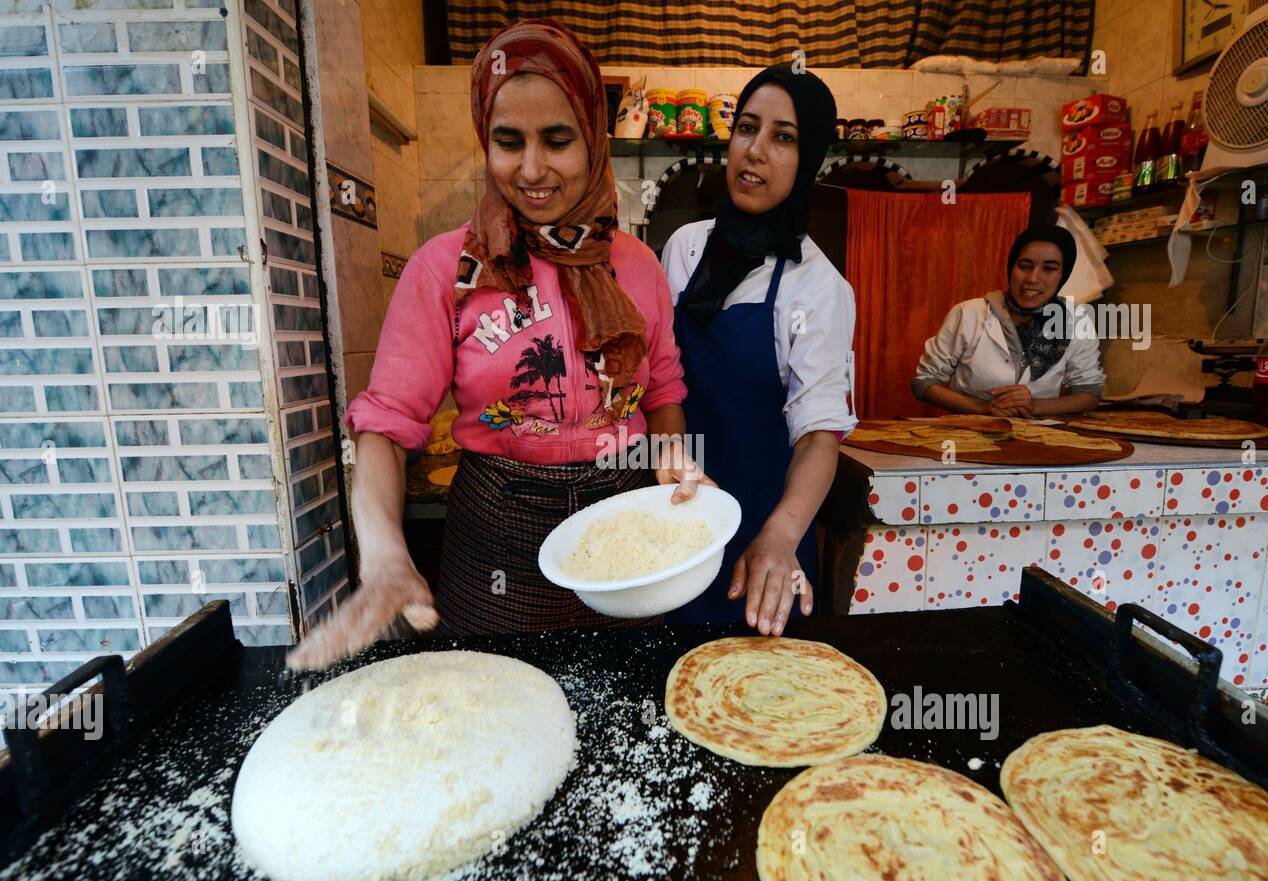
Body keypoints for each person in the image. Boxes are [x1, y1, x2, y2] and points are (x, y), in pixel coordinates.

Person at [287, 19, 703, 669]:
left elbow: (664, 391)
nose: (532, 169)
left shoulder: (638, 267)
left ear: (593, 138)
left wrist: (673, 459)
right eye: (509, 141)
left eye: (558, 140)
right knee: (500, 704)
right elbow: (386, 426)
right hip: (498, 542)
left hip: (623, 530)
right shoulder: (445, 269)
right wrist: (387, 556)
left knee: (628, 705)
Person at [660, 65, 857, 637]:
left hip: (766, 532)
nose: (756, 152)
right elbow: (659, 377)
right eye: (747, 128)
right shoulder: (683, 249)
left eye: (784, 137)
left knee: (754, 705)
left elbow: (821, 434)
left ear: (810, 158)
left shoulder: (818, 287)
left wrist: (779, 535)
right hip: (678, 515)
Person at [912, 226, 1105, 418]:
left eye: (1049, 269)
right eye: (1024, 266)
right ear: (1011, 267)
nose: (1032, 278)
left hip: (1041, 437)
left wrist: (1033, 407)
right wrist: (983, 408)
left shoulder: (1076, 320)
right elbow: (924, 382)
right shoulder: (969, 313)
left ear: (1063, 275)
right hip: (970, 432)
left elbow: (1089, 393)